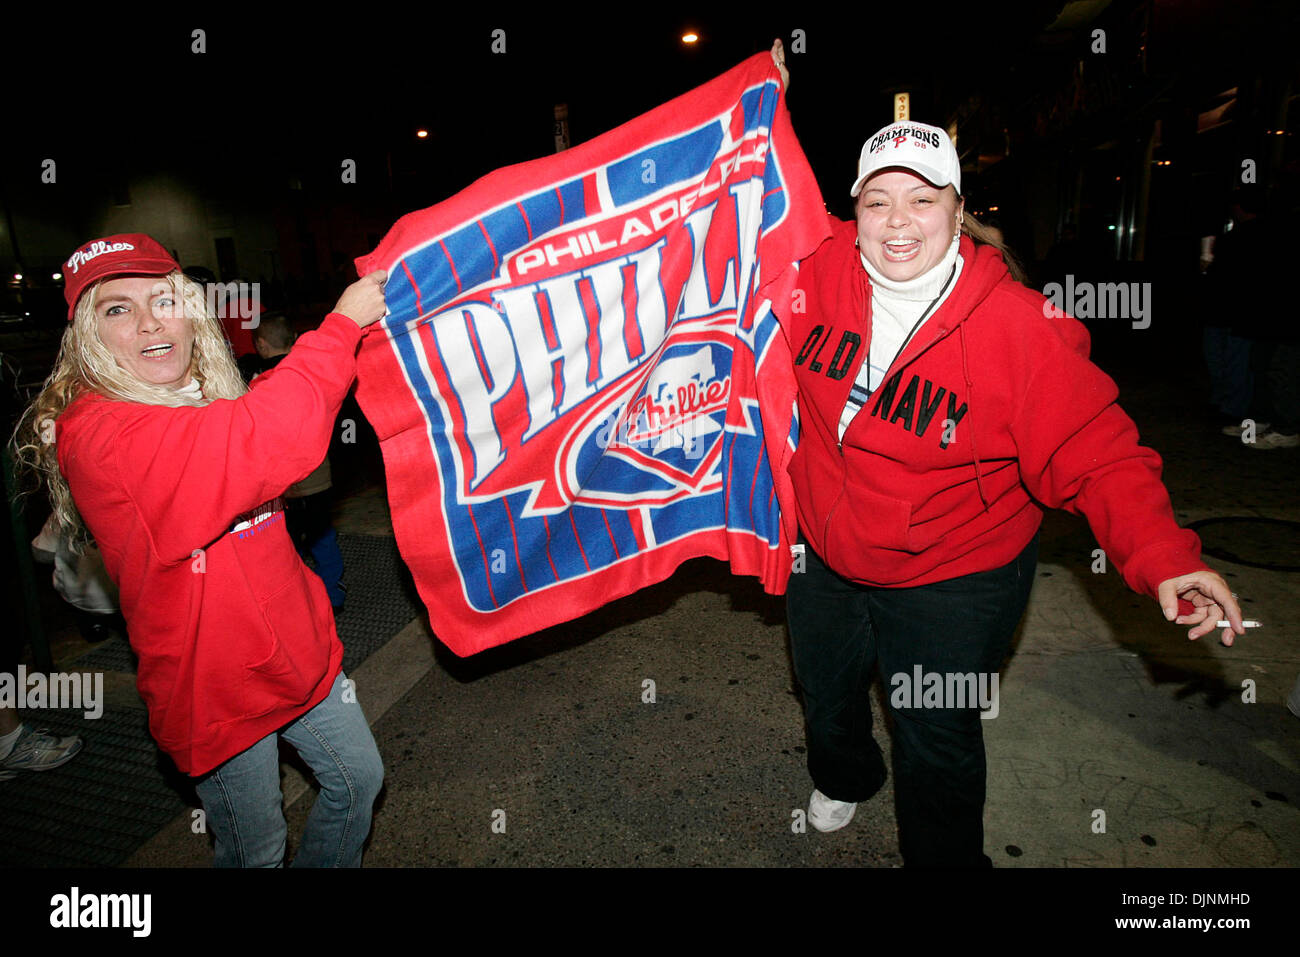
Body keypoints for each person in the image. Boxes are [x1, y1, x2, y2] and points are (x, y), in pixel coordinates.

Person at [774, 105, 1246, 866]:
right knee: (825, 694)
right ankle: (846, 776)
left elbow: (1102, 452)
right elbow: (755, 187)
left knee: (934, 732)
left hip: (956, 572)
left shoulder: (1024, 328)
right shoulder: (816, 267)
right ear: (853, 212)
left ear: (959, 210)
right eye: (878, 201)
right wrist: (768, 93)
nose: (900, 222)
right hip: (824, 550)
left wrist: (1164, 555)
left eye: (923, 200)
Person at [11, 233, 388, 866]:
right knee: (255, 852)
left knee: (360, 783)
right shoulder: (99, 432)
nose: (150, 322)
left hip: (301, 658)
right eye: (117, 309)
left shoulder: (207, 391)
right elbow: (265, 438)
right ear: (88, 338)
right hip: (213, 688)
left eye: (164, 299)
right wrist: (341, 326)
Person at [247, 313, 347, 610]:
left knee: (287, 543)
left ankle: (298, 600)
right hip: (318, 476)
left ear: (262, 345)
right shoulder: (308, 373)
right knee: (323, 536)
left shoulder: (255, 384)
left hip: (283, 483)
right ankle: (334, 594)